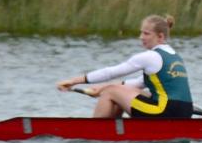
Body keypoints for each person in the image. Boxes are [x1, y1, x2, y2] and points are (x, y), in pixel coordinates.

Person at [55, 14, 194, 118]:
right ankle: (115, 129)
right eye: (141, 32)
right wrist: (101, 87)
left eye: (146, 33)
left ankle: (95, 132)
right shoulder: (175, 56)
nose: (141, 37)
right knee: (117, 89)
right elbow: (139, 83)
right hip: (185, 111)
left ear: (161, 37)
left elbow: (112, 72)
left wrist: (73, 81)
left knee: (111, 91)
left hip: (164, 110)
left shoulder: (150, 56)